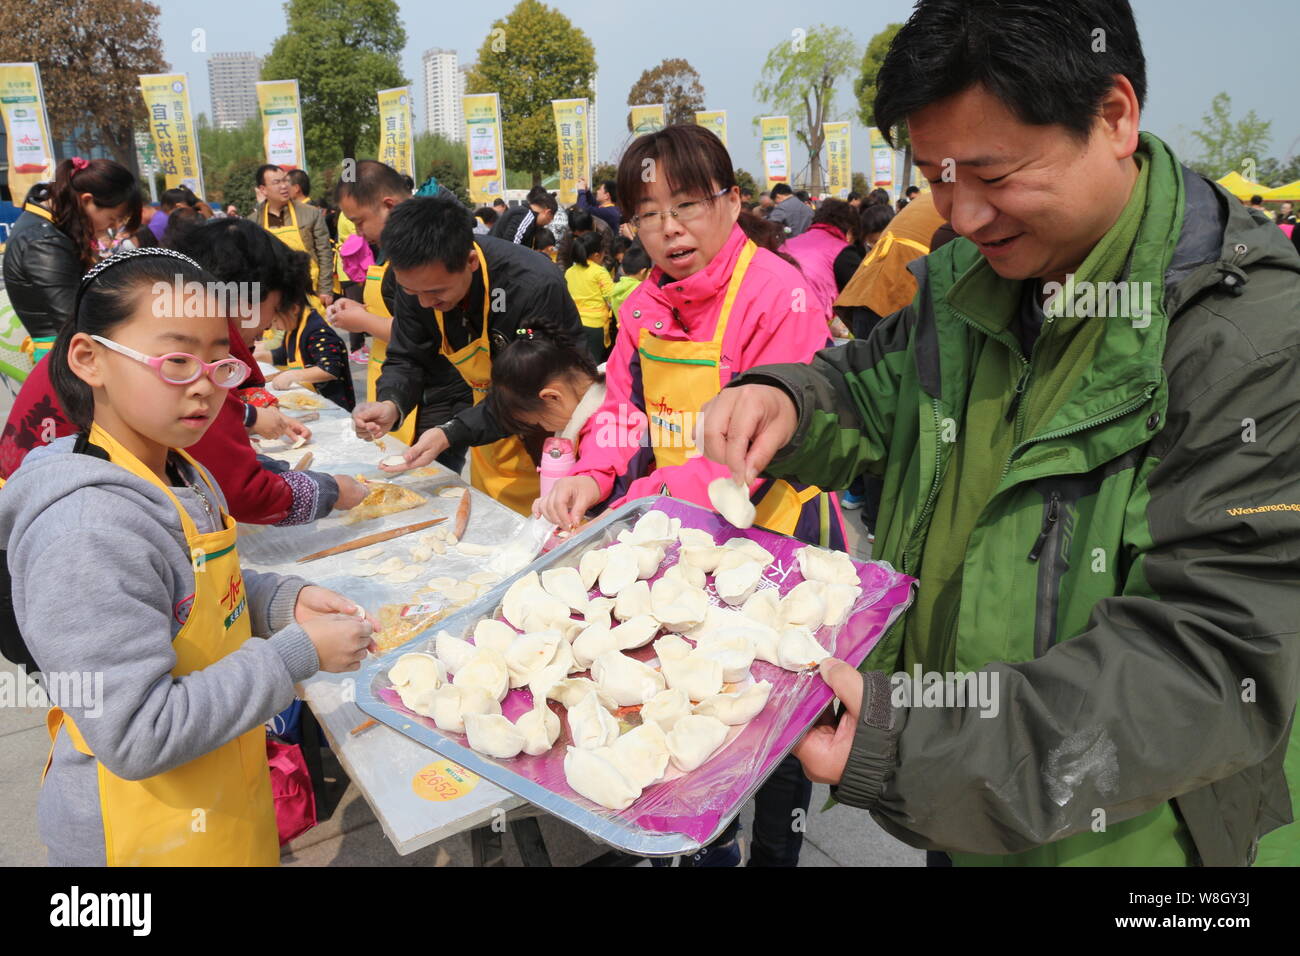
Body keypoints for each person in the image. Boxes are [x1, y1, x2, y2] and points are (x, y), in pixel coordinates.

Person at [699, 0, 1300, 868]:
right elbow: (873, 388)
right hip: (967, 807)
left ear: (1115, 116)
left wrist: (913, 744)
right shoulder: (966, 282)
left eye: (994, 173)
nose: (965, 214)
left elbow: (1210, 661)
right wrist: (788, 400)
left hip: (1143, 847)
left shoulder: (1250, 340)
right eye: (938, 176)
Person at [0, 248, 376, 865]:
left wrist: (278, 600)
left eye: (216, 361)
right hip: (140, 835)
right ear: (89, 359)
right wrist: (298, 653)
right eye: (176, 360)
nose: (203, 384)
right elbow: (137, 732)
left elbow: (192, 588)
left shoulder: (178, 469)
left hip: (215, 797)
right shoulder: (86, 533)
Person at [538, 124, 845, 867]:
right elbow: (621, 406)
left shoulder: (778, 295)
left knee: (777, 734)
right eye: (647, 213)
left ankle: (774, 853)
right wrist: (592, 472)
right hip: (682, 541)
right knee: (697, 715)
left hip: (777, 540)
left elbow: (753, 453)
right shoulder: (643, 303)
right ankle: (708, 853)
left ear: (732, 203)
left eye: (688, 204)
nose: (668, 229)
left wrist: (636, 503)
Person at [1, 218, 367, 524]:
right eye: (271, 305)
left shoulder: (137, 336)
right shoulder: (90, 526)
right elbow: (240, 493)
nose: (268, 324)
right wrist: (328, 490)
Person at [351, 196, 585, 515]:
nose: (423, 303)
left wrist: (451, 432)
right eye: (412, 293)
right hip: (487, 423)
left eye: (436, 293)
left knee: (553, 525)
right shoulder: (416, 282)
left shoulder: (532, 285)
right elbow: (407, 355)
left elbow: (535, 389)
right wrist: (391, 402)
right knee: (495, 519)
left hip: (548, 428)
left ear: (470, 262)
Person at [3, 158, 141, 366]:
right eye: (112, 218)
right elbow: (71, 317)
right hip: (69, 358)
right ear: (86, 200)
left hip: (71, 351)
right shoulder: (44, 242)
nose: (110, 227)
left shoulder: (46, 229)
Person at [331, 159, 420, 444]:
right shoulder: (386, 246)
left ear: (389, 205)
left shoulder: (422, 252)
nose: (358, 233)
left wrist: (363, 322)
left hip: (419, 393)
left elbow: (422, 332)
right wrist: (362, 310)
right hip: (388, 377)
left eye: (359, 222)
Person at [486, 318, 607, 478]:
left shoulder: (600, 434)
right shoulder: (612, 386)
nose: (546, 428)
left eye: (539, 421)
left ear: (552, 396)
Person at [252, 164, 334, 307]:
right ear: (263, 189)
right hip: (274, 295)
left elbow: (324, 252)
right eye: (277, 182)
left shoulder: (311, 213)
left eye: (285, 180)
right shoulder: (254, 222)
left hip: (310, 291)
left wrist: (325, 289)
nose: (284, 186)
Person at [779, 197, 858, 325]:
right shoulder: (842, 252)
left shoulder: (785, 245)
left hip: (779, 320)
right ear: (850, 233)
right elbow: (856, 296)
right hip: (814, 325)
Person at [565, 232, 615, 361]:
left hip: (574, 323)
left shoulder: (569, 272)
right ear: (597, 255)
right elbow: (611, 297)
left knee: (576, 363)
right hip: (594, 326)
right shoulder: (599, 272)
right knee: (593, 364)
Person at [491, 185, 557, 248]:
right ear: (547, 212)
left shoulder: (524, 213)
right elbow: (510, 247)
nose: (547, 223)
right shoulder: (526, 216)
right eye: (550, 219)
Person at [609, 241, 651, 322]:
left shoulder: (616, 288)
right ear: (643, 271)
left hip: (622, 331)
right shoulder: (642, 290)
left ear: (624, 271)